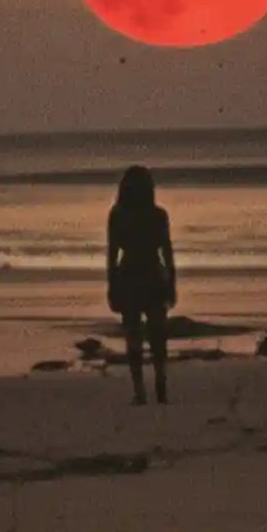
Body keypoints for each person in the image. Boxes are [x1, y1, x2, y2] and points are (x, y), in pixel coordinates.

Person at [106, 165, 177, 405]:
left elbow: (112, 254)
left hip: (128, 276)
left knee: (133, 336)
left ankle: (139, 390)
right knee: (159, 336)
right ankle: (161, 385)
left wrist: (111, 284)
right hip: (153, 274)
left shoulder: (118, 215)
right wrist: (172, 281)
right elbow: (167, 252)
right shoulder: (158, 215)